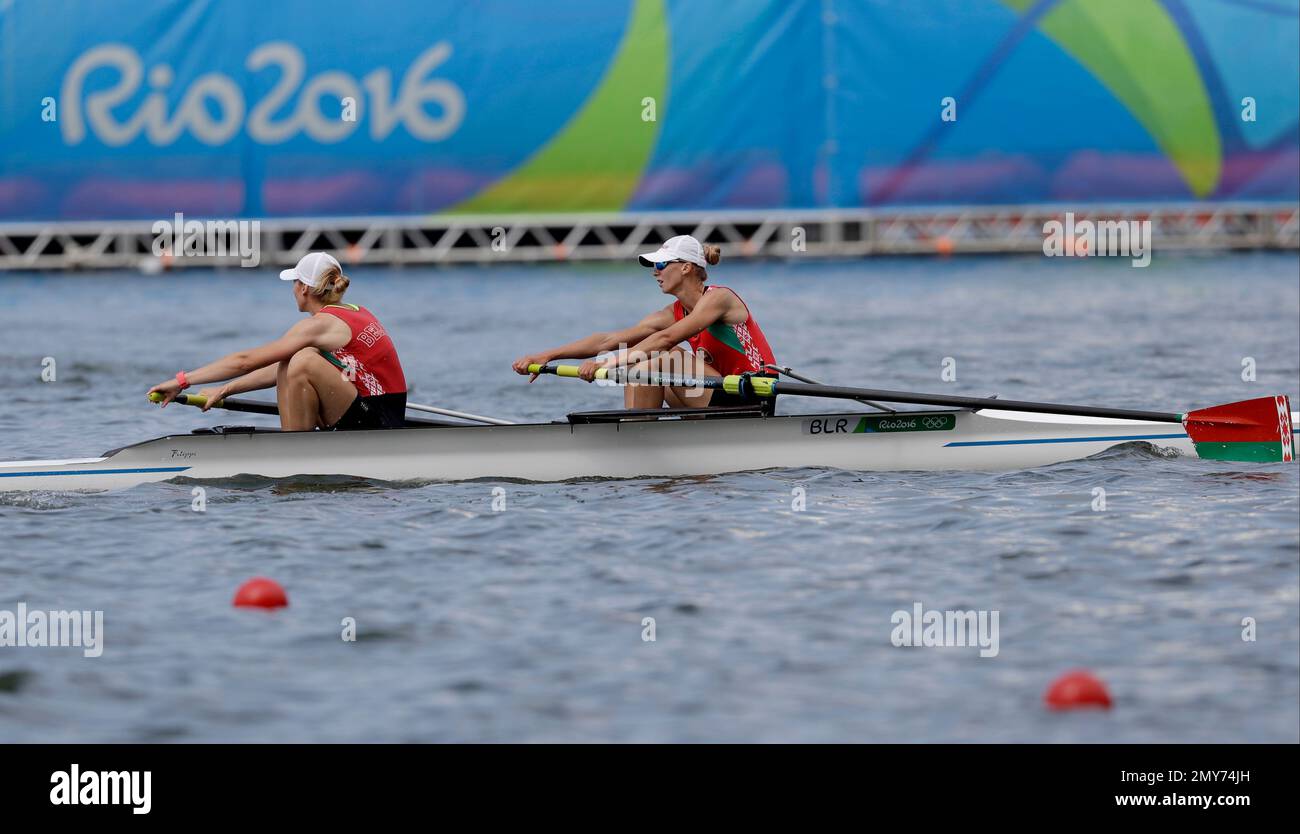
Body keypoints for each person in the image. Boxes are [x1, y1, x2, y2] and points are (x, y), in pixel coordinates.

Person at [147, 252, 407, 430]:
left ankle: (292, 453)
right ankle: (298, 443)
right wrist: (225, 390)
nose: (293, 289)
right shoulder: (354, 310)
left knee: (301, 360)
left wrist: (182, 381)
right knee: (294, 360)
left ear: (304, 288)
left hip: (379, 420)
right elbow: (278, 369)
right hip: (381, 410)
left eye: (294, 282)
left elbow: (244, 361)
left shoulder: (320, 326)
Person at [512, 235, 777, 409]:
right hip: (718, 393)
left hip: (753, 396)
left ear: (685, 267)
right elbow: (608, 340)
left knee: (665, 356)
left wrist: (607, 363)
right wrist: (547, 355)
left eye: (661, 264)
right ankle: (638, 431)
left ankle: (635, 438)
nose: (655, 272)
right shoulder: (669, 313)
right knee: (646, 360)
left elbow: (666, 339)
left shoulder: (720, 298)